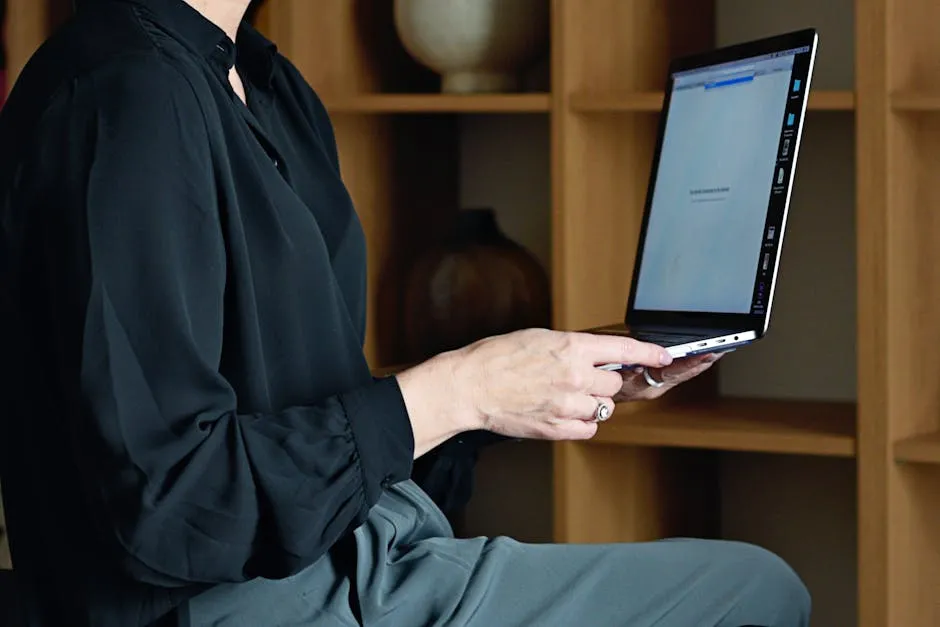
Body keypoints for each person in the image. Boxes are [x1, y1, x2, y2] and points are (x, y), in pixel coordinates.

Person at [0, 0, 812, 625]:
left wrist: (533, 380)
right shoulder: (123, 98)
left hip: (351, 547)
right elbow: (169, 500)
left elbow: (304, 416)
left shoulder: (266, 85)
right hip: (240, 596)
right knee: (756, 591)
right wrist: (462, 390)